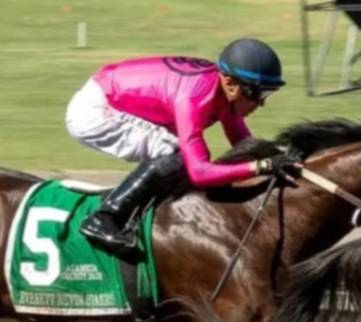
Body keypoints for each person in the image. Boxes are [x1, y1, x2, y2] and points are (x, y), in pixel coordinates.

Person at [65, 38, 302, 254]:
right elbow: (199, 172)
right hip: (95, 112)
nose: (261, 103)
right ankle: (105, 217)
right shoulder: (193, 97)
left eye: (268, 93)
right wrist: (262, 166)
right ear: (230, 83)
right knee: (177, 154)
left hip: (112, 96)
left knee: (183, 157)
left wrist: (282, 158)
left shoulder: (224, 89)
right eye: (257, 93)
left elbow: (244, 144)